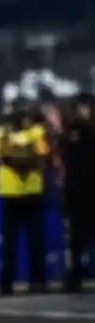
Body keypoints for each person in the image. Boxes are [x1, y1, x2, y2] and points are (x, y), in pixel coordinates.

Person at [0, 103, 51, 294]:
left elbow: (41, 153)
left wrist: (14, 149)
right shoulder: (3, 133)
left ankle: (35, 281)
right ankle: (9, 282)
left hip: (29, 192)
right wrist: (25, 150)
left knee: (33, 242)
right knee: (12, 243)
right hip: (12, 194)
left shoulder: (35, 132)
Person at [60, 93, 94, 292]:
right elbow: (70, 163)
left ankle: (75, 277)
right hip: (79, 192)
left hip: (84, 191)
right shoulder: (74, 132)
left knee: (79, 239)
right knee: (77, 240)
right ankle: (74, 277)